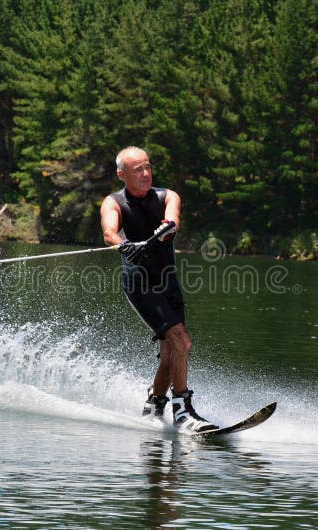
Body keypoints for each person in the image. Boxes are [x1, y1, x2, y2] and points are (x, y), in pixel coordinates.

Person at [100, 146, 218, 433]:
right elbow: (109, 233)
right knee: (182, 341)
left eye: (148, 167)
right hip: (139, 284)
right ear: (122, 175)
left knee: (172, 352)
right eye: (137, 169)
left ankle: (154, 405)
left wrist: (168, 228)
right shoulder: (113, 203)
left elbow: (172, 219)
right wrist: (124, 245)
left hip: (168, 282)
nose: (145, 173)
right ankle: (183, 412)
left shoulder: (168, 196)